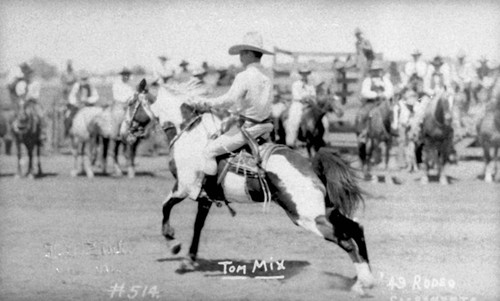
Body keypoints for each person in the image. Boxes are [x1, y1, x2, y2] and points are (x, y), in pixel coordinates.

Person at [191, 31, 274, 201]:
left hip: (248, 130)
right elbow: (255, 103)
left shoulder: (244, 76)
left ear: (250, 53)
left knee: (208, 151)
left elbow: (228, 100)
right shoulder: (268, 75)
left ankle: (208, 192)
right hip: (265, 127)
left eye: (243, 52)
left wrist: (205, 103)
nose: (240, 56)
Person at [356, 61, 394, 139]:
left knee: (393, 113)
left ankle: (392, 131)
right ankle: (362, 133)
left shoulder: (385, 80)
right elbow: (364, 92)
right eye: (375, 70)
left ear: (381, 71)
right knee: (362, 113)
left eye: (378, 70)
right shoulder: (368, 80)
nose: (376, 72)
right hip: (371, 102)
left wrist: (384, 95)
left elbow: (390, 90)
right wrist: (376, 95)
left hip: (384, 102)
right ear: (371, 71)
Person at [14, 63, 47, 142]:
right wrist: (23, 99)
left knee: (40, 114)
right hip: (23, 103)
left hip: (32, 103)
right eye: (25, 74)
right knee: (16, 114)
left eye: (28, 74)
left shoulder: (35, 84)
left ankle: (42, 133)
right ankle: (14, 132)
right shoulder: (20, 84)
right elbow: (19, 94)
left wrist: (30, 98)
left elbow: (36, 95)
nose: (27, 76)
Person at [64, 70, 99, 136]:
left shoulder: (91, 86)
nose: (84, 80)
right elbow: (71, 96)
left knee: (98, 119)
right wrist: (76, 102)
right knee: (69, 116)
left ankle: (97, 136)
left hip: (89, 106)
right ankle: (68, 132)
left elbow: (96, 96)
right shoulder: (77, 86)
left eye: (85, 78)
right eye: (83, 78)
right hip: (78, 105)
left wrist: (88, 100)